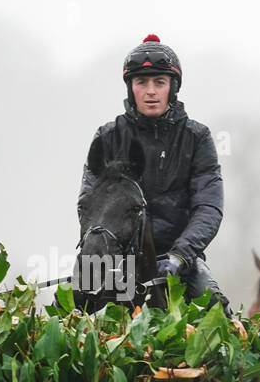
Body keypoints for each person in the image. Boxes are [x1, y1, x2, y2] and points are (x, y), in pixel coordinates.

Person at [77, 34, 229, 313]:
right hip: (110, 261)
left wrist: (179, 256)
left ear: (172, 88)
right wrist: (108, 256)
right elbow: (88, 203)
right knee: (66, 316)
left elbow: (209, 208)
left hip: (177, 261)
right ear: (130, 88)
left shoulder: (198, 138)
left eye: (159, 82)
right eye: (141, 82)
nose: (150, 91)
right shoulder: (107, 137)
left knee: (217, 310)